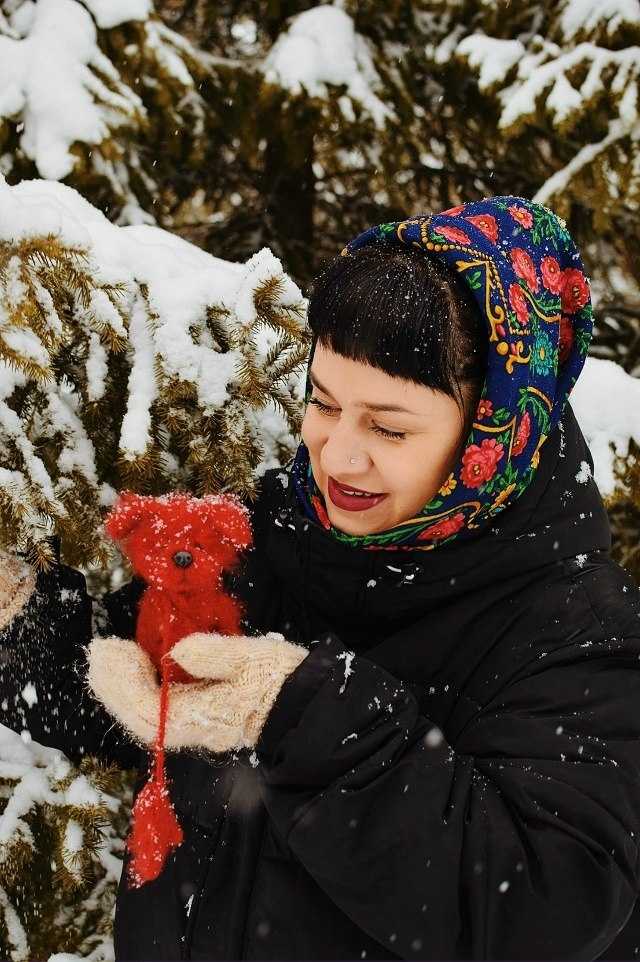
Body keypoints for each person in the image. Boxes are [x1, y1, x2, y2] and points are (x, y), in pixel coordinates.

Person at [1, 195, 640, 961]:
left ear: (491, 432)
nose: (337, 455)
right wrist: (22, 623)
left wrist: (301, 712)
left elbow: (543, 905)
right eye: (323, 402)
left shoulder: (582, 634)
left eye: (389, 427)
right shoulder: (284, 535)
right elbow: (132, 681)